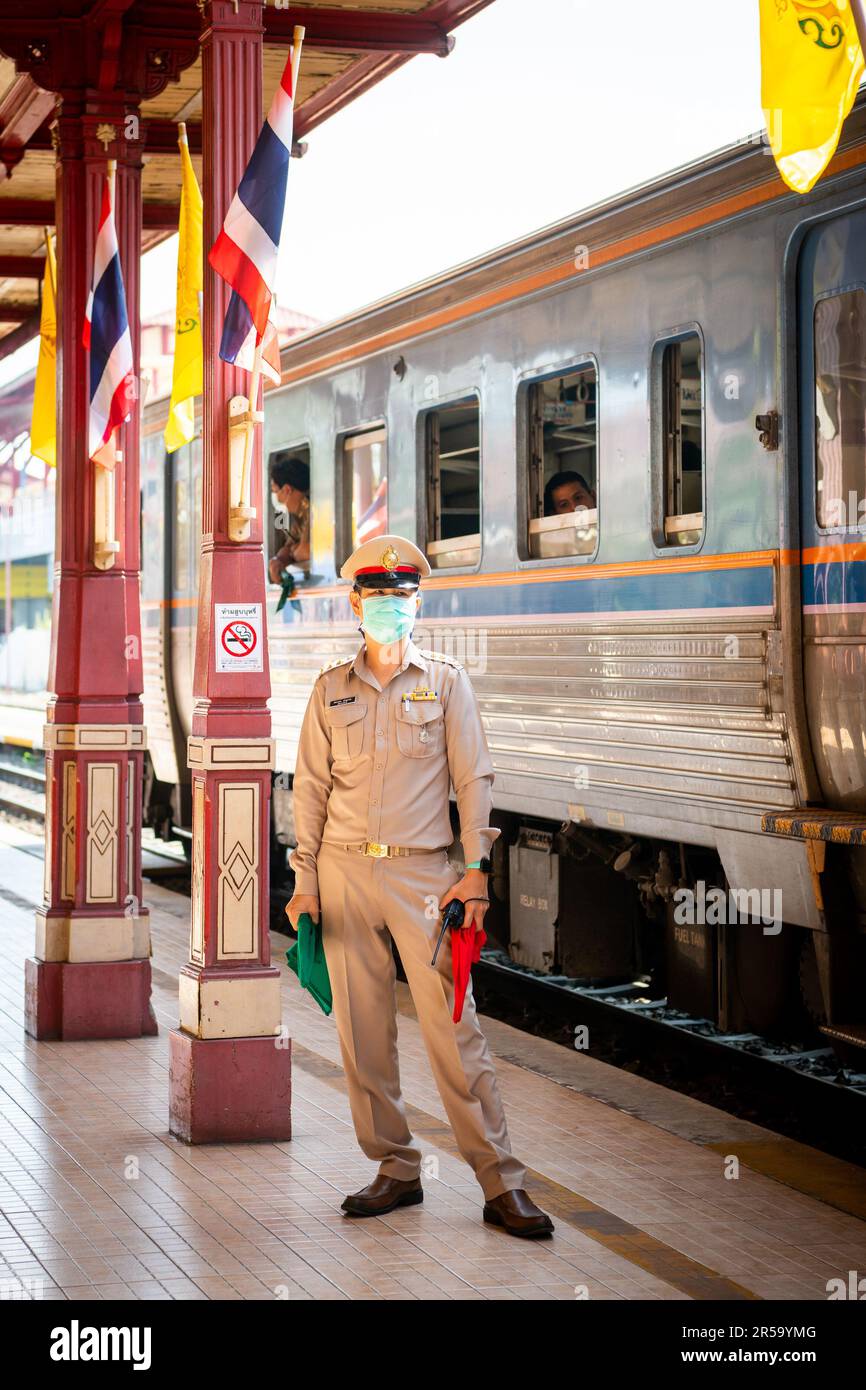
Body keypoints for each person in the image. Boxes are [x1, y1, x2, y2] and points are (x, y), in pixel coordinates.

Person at [286, 534, 554, 1238]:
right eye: (377, 601)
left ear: (418, 606)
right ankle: (396, 1168)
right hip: (343, 872)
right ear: (354, 605)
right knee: (362, 1034)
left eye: (400, 601)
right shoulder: (329, 691)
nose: (388, 612)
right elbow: (310, 791)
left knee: (454, 1029)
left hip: (425, 876)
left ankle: (501, 1182)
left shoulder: (447, 683)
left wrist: (475, 872)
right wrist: (305, 882)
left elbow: (474, 779)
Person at [268, 452, 310, 584]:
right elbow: (289, 547)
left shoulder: (312, 511)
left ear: (286, 490)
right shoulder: (298, 517)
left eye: (275, 491)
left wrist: (297, 551)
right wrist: (279, 560)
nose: (276, 498)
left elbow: (304, 551)